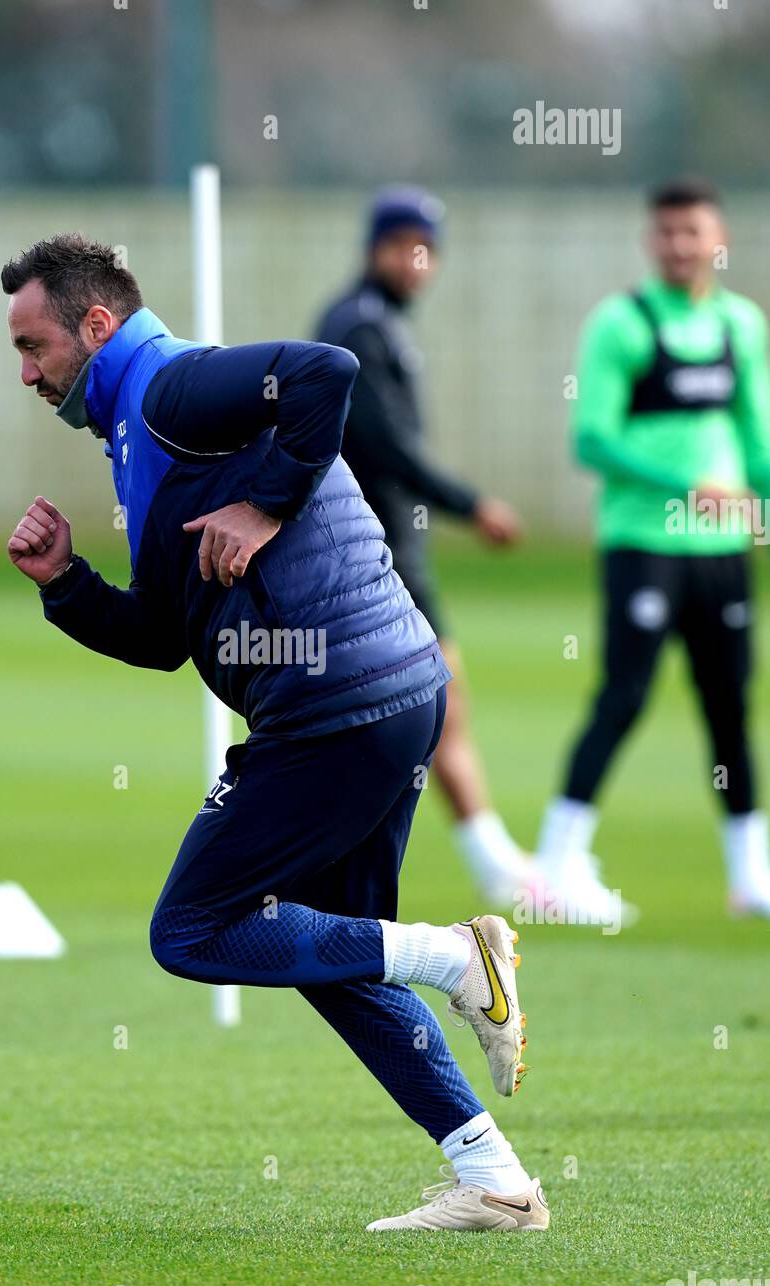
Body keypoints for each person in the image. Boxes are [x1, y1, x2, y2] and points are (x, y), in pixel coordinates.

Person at [1, 233, 547, 1232]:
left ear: (97, 325)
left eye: (34, 347)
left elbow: (323, 372)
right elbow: (165, 637)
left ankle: (461, 954)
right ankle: (496, 1180)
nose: (26, 374)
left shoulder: (170, 385)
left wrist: (262, 505)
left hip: (334, 708)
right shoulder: (141, 432)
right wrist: (68, 586)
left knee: (195, 926)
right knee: (329, 952)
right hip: (390, 694)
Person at [537, 177, 770, 924]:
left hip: (723, 550)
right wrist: (687, 483)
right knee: (625, 695)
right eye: (666, 233)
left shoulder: (742, 325)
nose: (680, 246)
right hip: (643, 544)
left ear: (718, 240)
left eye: (693, 232)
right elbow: (591, 439)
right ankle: (558, 865)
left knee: (729, 704)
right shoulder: (622, 324)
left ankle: (750, 875)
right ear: (650, 240)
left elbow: (756, 440)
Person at [314, 187, 534, 908]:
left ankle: (491, 860)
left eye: (427, 250)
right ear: (375, 248)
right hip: (370, 549)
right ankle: (493, 865)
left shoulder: (383, 325)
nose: (417, 263)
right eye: (404, 246)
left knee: (430, 706)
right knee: (431, 699)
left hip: (394, 542)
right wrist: (475, 506)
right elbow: (387, 445)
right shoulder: (357, 327)